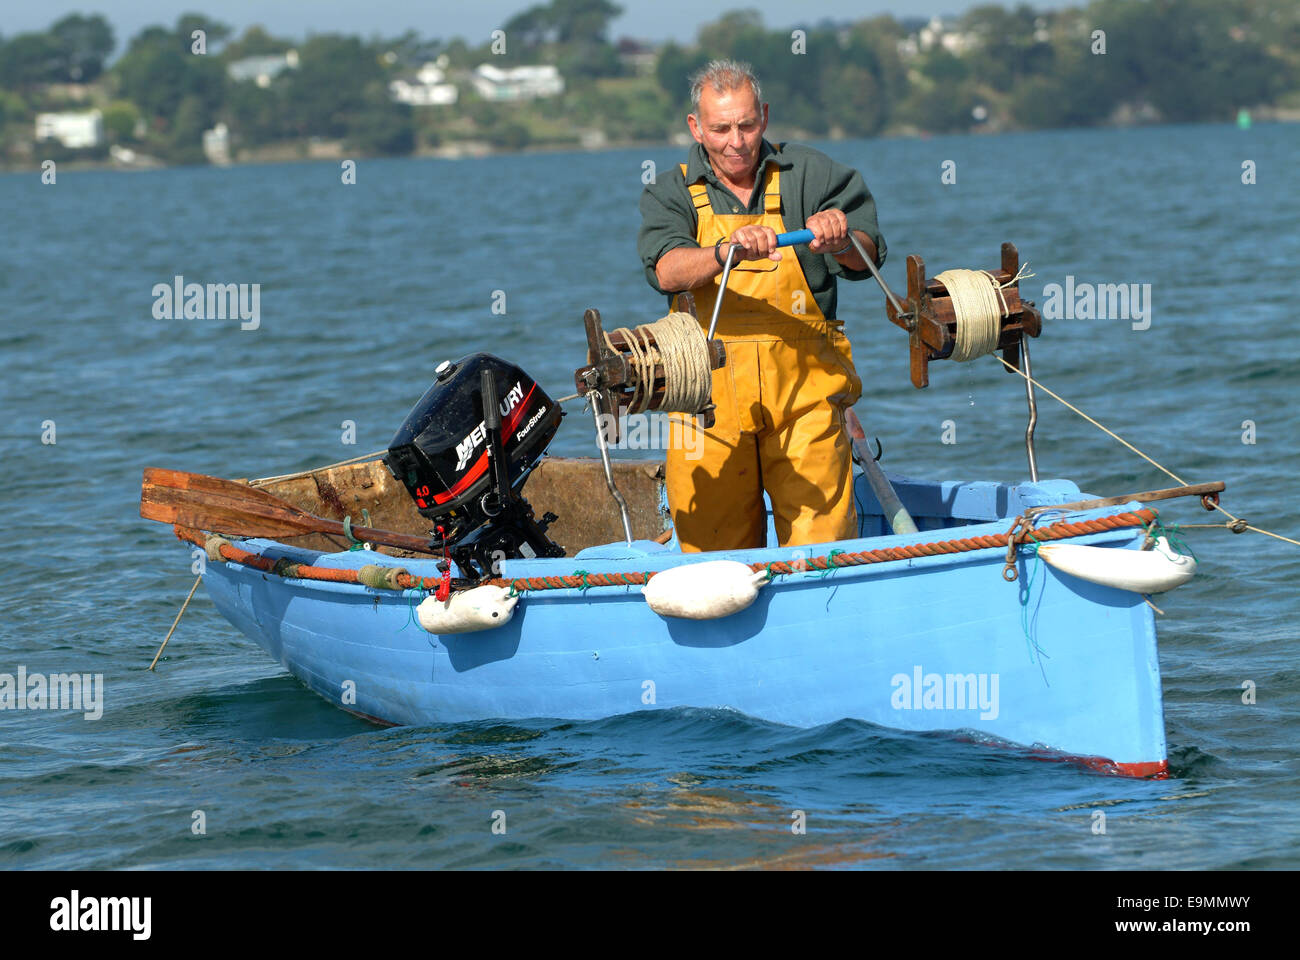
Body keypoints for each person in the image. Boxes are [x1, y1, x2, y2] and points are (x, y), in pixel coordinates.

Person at [636, 59, 887, 553]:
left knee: (824, 550)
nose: (736, 141)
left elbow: (868, 256)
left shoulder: (811, 172)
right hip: (705, 405)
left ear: (765, 117)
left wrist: (840, 238)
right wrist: (721, 252)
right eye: (720, 128)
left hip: (807, 398)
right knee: (713, 555)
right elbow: (666, 270)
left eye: (747, 125)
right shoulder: (672, 189)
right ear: (695, 127)